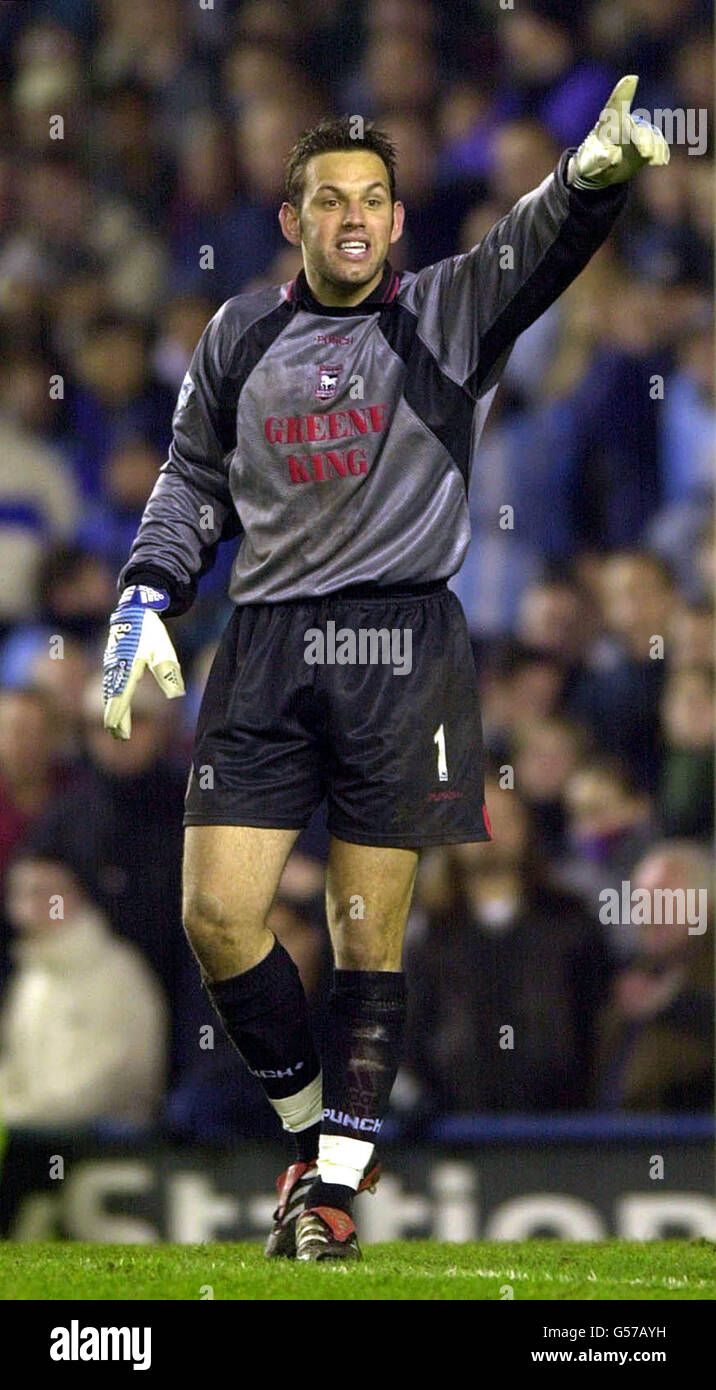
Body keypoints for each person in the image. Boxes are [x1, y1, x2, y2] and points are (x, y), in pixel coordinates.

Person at [102, 87, 669, 1261]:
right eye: (328, 200)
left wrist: (593, 172)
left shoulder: (449, 310)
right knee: (216, 918)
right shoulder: (237, 333)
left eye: (371, 200)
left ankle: (330, 1197)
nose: (351, 218)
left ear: (398, 220)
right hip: (261, 641)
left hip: (400, 647)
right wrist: (147, 591)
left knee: (362, 932)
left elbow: (537, 240)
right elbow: (189, 478)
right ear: (291, 218)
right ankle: (312, 1137)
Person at [0, 853, 167, 1128]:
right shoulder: (31, 978)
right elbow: (13, 1064)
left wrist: (24, 1114)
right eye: (19, 893)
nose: (29, 905)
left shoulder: (116, 972)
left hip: (105, 1150)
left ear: (74, 896)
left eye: (42, 892)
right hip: (35, 1137)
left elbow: (110, 1079)